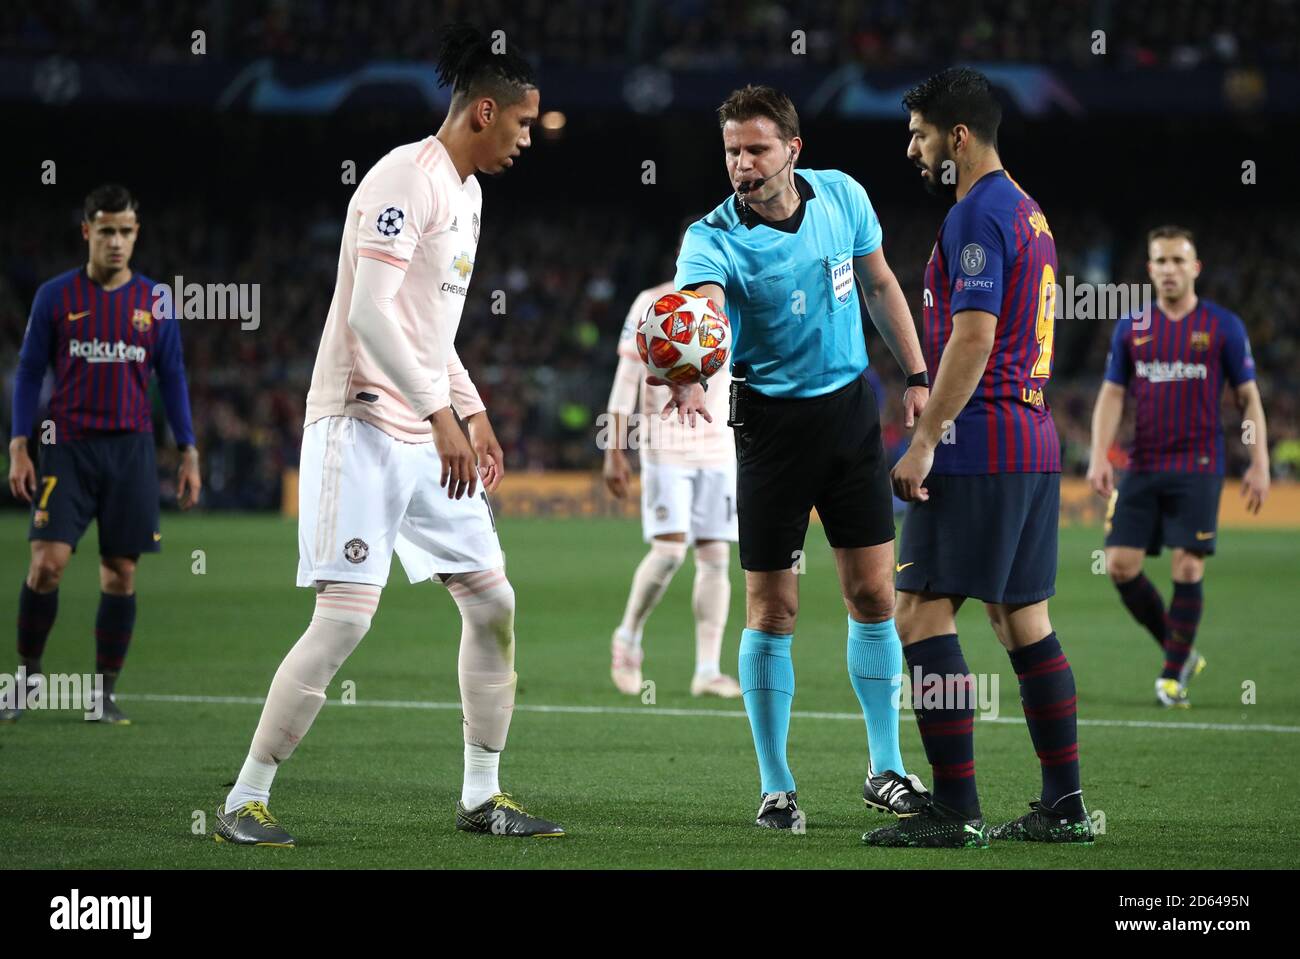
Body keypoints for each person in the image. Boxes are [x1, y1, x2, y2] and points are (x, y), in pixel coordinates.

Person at [214, 25, 562, 846]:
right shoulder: (404, 178)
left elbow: (427, 328)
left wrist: (469, 410)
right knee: (344, 619)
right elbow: (370, 312)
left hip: (426, 426)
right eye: (521, 125)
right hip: (362, 423)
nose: (526, 140)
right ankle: (242, 799)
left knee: (493, 600)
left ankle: (483, 795)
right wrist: (442, 417)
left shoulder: (470, 194)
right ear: (485, 110)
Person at [664, 84, 932, 830]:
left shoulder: (843, 197)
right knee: (773, 607)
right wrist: (690, 371)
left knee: (875, 596)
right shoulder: (710, 238)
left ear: (793, 150)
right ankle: (777, 786)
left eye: (755, 149)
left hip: (851, 414)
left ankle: (885, 767)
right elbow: (702, 313)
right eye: (731, 151)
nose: (741, 164)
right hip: (770, 428)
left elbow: (880, 283)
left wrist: (915, 375)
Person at [867, 67, 1094, 848]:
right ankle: (1064, 804)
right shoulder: (1029, 213)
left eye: (920, 133)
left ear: (957, 137)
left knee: (919, 611)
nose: (913, 148)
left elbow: (974, 334)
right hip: (1031, 439)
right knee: (1020, 617)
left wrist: (926, 435)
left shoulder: (975, 214)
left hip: (980, 438)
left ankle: (954, 807)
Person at [4, 183, 200, 726]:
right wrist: (19, 443)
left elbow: (174, 377)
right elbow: (28, 373)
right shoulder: (54, 297)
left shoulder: (155, 301)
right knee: (47, 565)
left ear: (136, 234)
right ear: (87, 231)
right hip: (65, 449)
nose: (117, 241)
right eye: (107, 230)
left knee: (119, 573)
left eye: (126, 231)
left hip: (131, 452)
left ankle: (103, 694)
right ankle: (27, 676)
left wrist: (188, 449)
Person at [1087, 225, 1268, 707]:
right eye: (1160, 261)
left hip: (1200, 463)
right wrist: (1099, 454)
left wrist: (1260, 462)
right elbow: (1112, 393)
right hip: (1143, 463)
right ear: (1149, 269)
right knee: (1119, 565)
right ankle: (1180, 649)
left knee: (1187, 565)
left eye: (1177, 261)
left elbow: (1248, 397)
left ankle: (1171, 676)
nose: (1169, 269)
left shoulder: (1223, 326)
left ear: (1195, 268)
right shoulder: (1132, 327)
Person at [603, 276, 741, 699]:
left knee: (716, 558)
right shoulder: (652, 301)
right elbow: (628, 377)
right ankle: (627, 638)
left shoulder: (734, 303)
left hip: (717, 442)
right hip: (665, 440)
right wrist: (613, 448)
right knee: (668, 553)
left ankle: (707, 669)